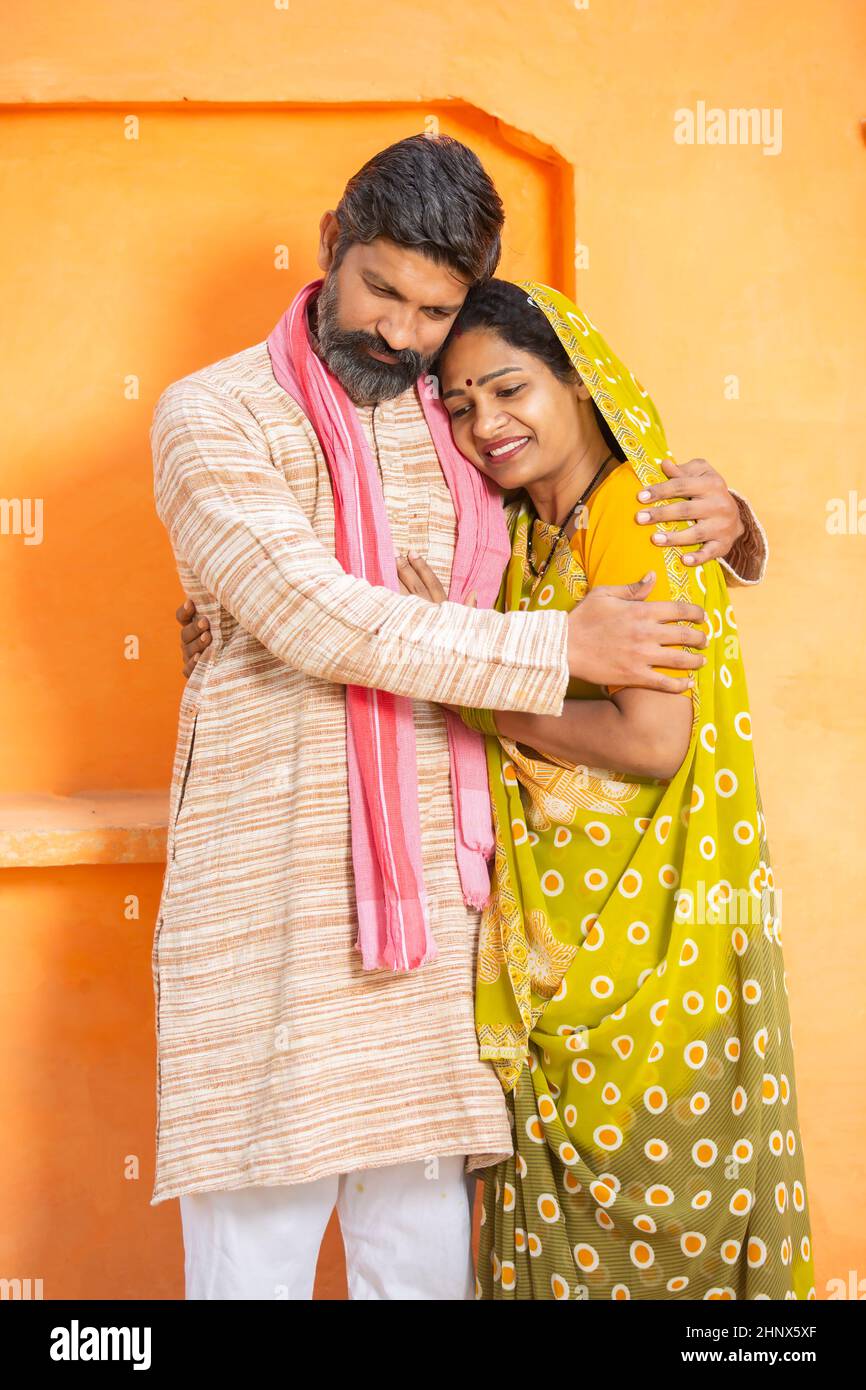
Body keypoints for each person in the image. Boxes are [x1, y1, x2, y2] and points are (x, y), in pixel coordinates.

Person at [156, 133, 767, 1301]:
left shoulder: (447, 415)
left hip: (445, 907)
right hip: (269, 894)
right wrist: (557, 649)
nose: (398, 332)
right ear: (331, 245)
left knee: (422, 1252)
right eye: (381, 288)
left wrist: (724, 519)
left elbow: (574, 495)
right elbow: (312, 612)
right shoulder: (212, 413)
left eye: (432, 311)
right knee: (255, 1246)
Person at [393, 275, 812, 1300]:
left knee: (651, 1231)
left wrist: (475, 697)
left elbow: (654, 738)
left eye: (508, 390)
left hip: (645, 963)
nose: (484, 423)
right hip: (565, 956)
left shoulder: (636, 508)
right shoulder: (524, 530)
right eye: (459, 407)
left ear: (580, 385)